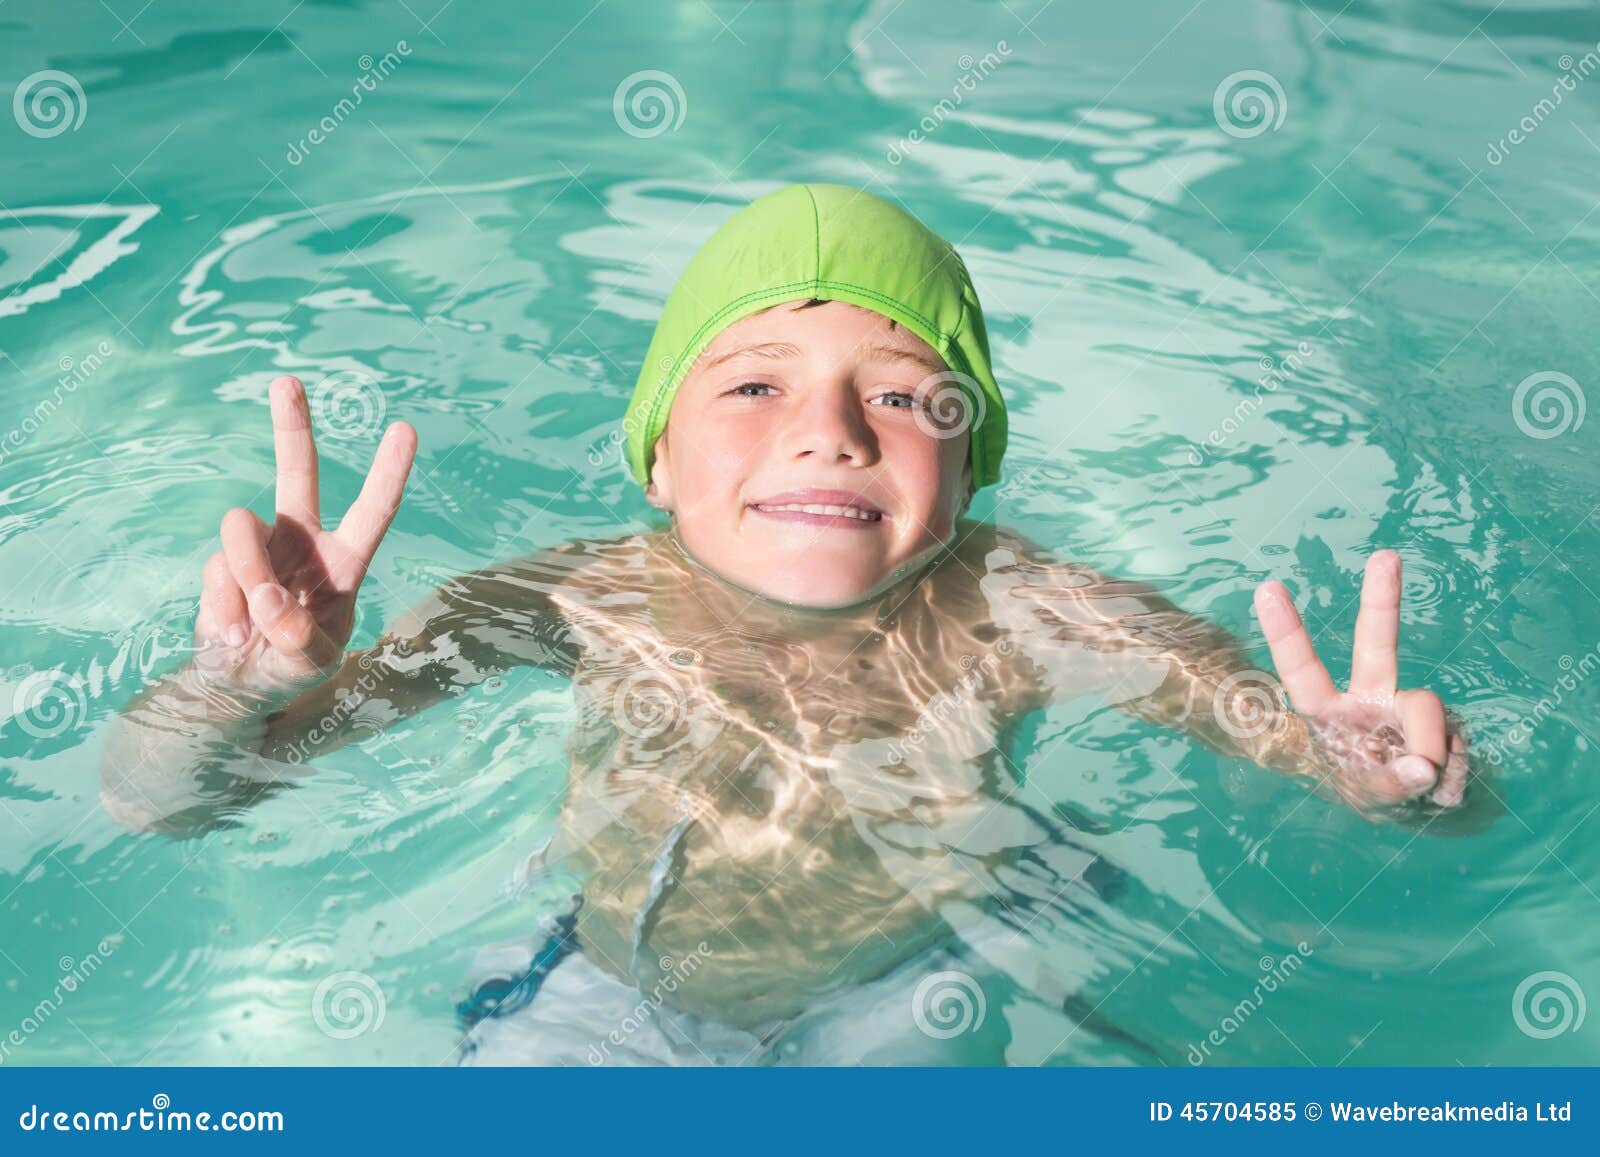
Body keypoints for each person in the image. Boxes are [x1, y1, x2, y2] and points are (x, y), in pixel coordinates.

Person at [102, 183, 1474, 1064]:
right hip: (601, 986)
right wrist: (228, 689)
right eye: (755, 384)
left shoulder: (1027, 606)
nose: (829, 432)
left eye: (904, 395)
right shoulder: (562, 600)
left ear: (970, 467)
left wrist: (1384, 781)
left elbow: (1349, 782)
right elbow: (161, 805)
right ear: (656, 455)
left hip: (918, 975)